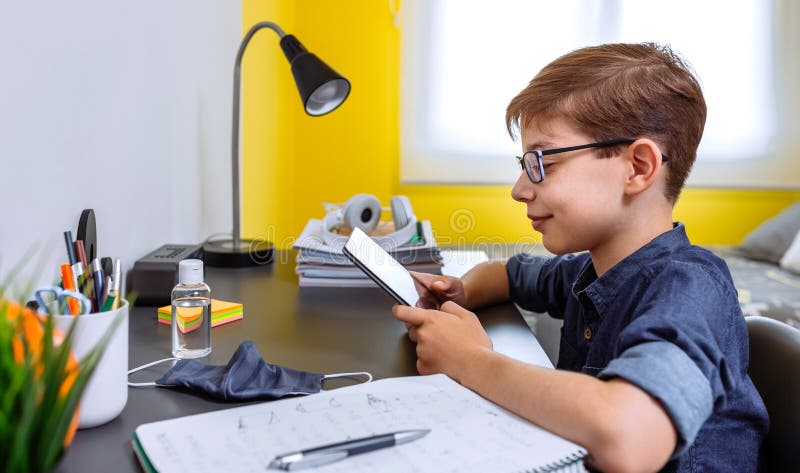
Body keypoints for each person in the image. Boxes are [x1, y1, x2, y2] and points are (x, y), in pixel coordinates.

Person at [394, 43, 768, 473]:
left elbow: (628, 437)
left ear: (639, 168)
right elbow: (512, 275)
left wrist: (471, 361)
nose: (519, 189)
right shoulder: (594, 269)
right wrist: (462, 290)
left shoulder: (691, 289)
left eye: (542, 163)